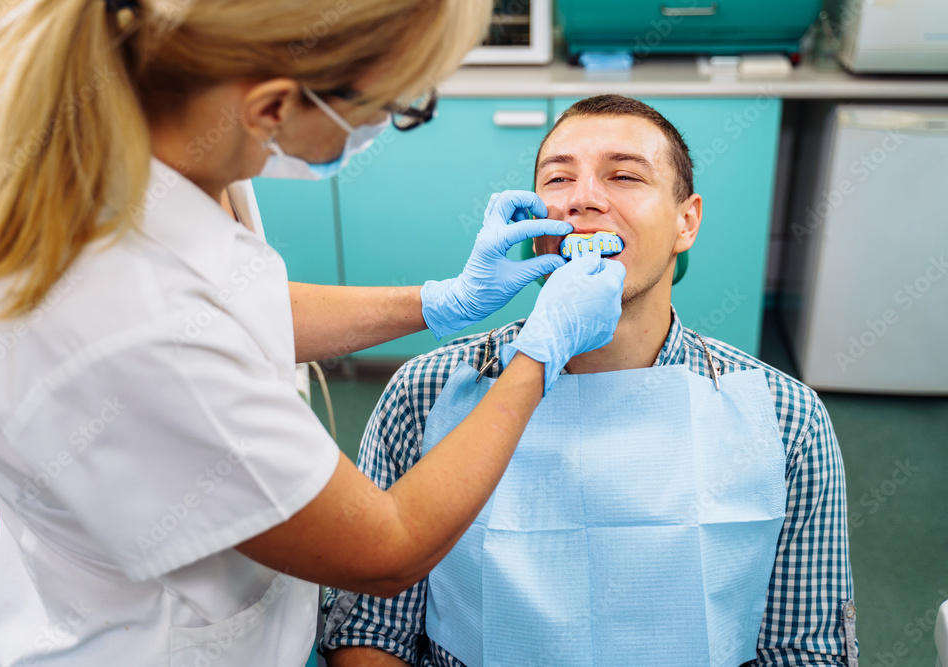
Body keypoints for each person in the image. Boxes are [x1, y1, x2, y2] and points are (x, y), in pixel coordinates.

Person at [0, 2, 626, 665]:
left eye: (624, 176)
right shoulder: (118, 317)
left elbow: (230, 306)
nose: (585, 199)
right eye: (395, 105)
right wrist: (539, 354)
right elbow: (387, 550)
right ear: (272, 106)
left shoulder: (183, 156)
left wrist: (436, 303)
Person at [322, 95, 857, 666]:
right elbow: (371, 631)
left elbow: (805, 650)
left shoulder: (783, 418)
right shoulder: (425, 394)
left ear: (686, 221)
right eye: (558, 179)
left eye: (624, 175)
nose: (583, 199)